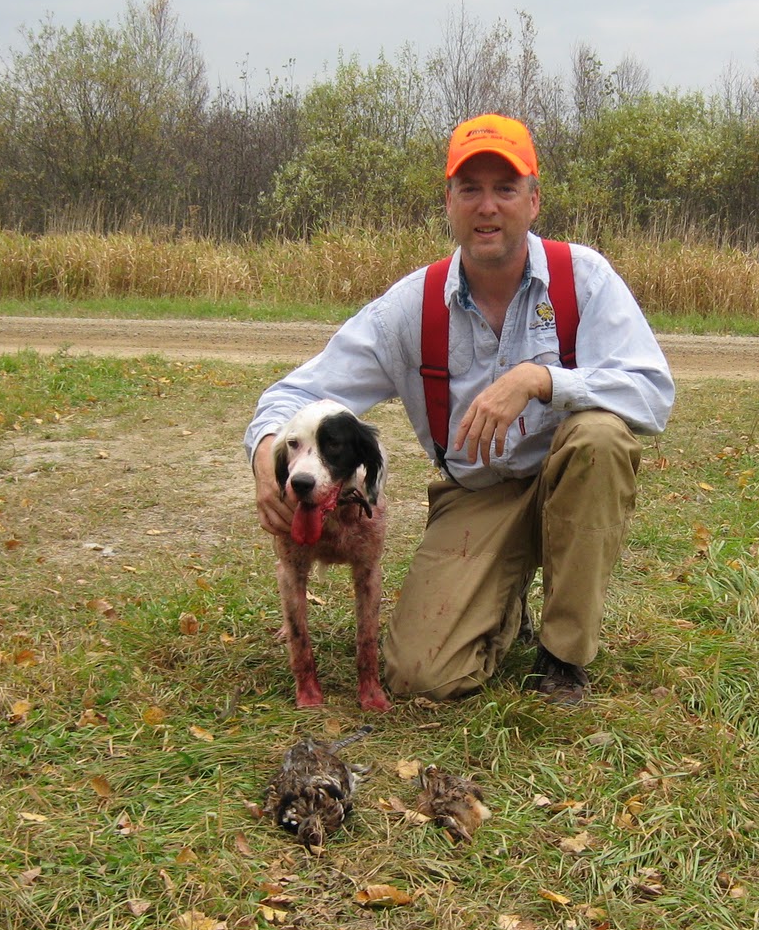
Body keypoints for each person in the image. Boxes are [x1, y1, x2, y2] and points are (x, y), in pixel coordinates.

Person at [246, 113, 674, 704]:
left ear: (534, 200)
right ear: (448, 201)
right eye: (470, 189)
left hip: (564, 483)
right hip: (477, 497)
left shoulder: (585, 279)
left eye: (505, 188)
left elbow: (653, 392)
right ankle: (504, 599)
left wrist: (541, 379)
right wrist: (267, 449)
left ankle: (563, 657)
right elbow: (290, 396)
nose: (487, 207)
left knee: (600, 437)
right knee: (421, 678)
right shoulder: (412, 308)